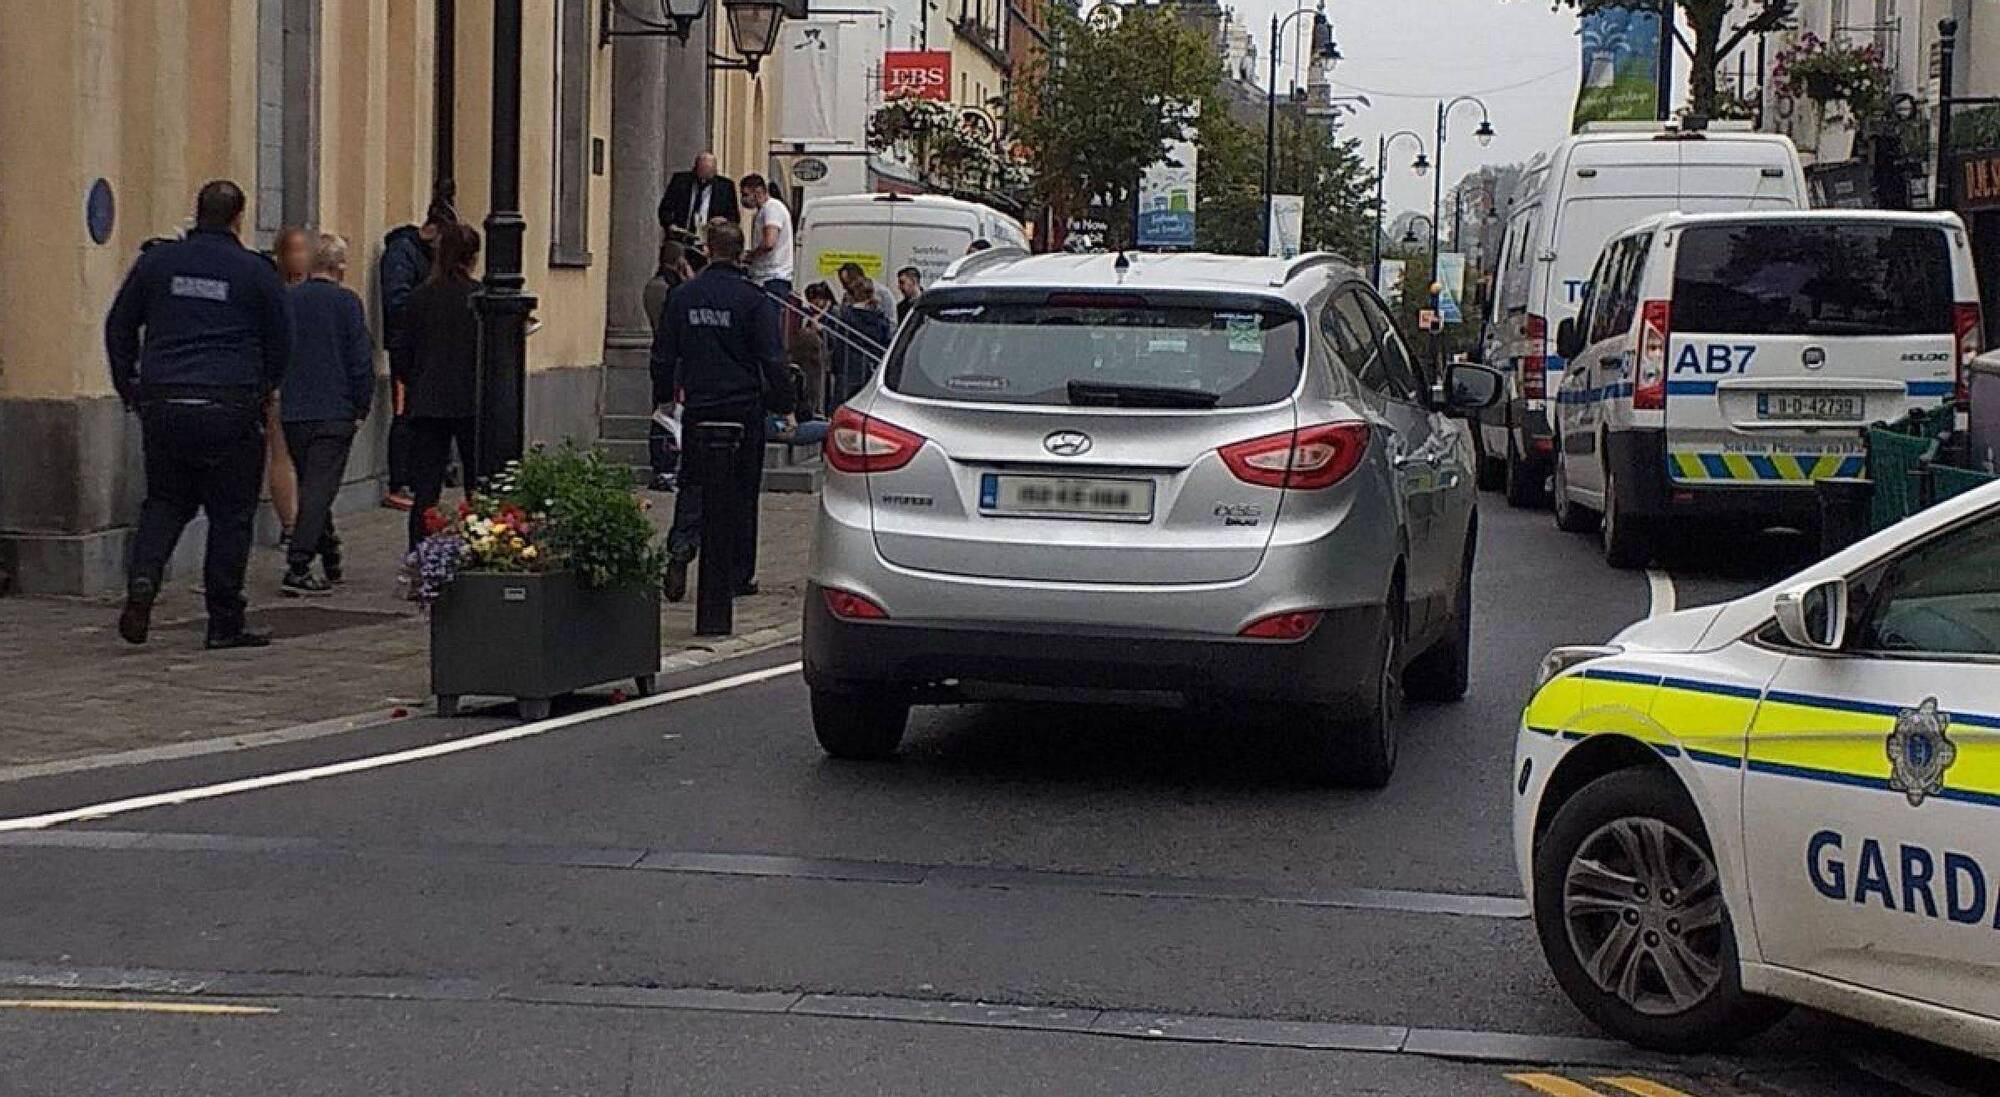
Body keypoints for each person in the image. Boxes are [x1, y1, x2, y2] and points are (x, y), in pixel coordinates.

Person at [104, 180, 291, 650]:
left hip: (165, 400)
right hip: (230, 403)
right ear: (238, 219)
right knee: (230, 515)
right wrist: (263, 386)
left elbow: (119, 325)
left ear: (197, 212)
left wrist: (129, 386)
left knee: (165, 503)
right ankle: (224, 620)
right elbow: (282, 340)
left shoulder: (157, 262)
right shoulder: (255, 272)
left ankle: (144, 580)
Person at [650, 221, 793, 603]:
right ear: (740, 251)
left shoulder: (683, 296)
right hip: (743, 407)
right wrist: (784, 404)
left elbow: (663, 353)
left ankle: (681, 549)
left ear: (709, 250)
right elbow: (773, 358)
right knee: (742, 492)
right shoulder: (753, 299)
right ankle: (737, 574)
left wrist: (664, 395)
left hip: (700, 404)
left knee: (693, 483)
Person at [276, 234, 373, 596]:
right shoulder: (347, 303)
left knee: (314, 483)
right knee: (320, 488)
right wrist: (361, 405)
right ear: (340, 268)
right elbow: (360, 359)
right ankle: (299, 564)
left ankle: (330, 553)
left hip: (296, 409)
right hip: (335, 409)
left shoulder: (289, 300)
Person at [396, 222, 482, 551]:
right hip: (470, 400)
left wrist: (414, 381)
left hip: (428, 399)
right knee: (479, 484)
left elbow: (403, 351)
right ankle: (480, 549)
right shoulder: (479, 298)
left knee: (426, 488)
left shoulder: (420, 298)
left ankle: (420, 554)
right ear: (472, 257)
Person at [378, 188, 457, 511]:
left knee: (417, 414)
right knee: (404, 413)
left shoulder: (421, 257)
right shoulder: (402, 254)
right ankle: (399, 482)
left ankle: (416, 476)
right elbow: (397, 302)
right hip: (405, 348)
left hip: (424, 346)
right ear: (432, 231)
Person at [264, 227, 312, 546]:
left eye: (304, 250)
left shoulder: (316, 292)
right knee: (280, 452)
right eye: (294, 250)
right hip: (281, 383)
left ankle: (308, 521)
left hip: (310, 385)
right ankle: (291, 525)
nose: (300, 257)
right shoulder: (274, 292)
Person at [643, 241, 694, 493]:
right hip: (673, 360)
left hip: (661, 356)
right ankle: (665, 467)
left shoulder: (653, 285)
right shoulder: (673, 290)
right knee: (668, 415)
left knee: (664, 413)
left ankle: (664, 466)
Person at [831, 264, 894, 404]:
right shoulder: (879, 318)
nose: (843, 287)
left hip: (850, 368)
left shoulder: (846, 317)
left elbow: (839, 345)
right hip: (872, 365)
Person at [658, 151, 739, 238]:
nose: (703, 181)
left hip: (710, 239)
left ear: (714, 172)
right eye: (701, 176)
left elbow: (734, 218)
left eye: (707, 177)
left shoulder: (725, 187)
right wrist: (670, 225)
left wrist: (724, 221)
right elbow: (664, 209)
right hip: (682, 235)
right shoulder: (680, 181)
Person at [739, 174, 794, 303]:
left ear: (757, 192)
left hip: (771, 278)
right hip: (765, 277)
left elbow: (769, 242)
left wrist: (749, 256)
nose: (743, 199)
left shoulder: (772, 208)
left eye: (745, 194)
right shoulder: (762, 211)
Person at [789, 281, 836, 419]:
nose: (813, 303)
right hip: (806, 359)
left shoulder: (832, 314)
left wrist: (822, 314)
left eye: (817, 300)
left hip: (823, 359)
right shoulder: (805, 314)